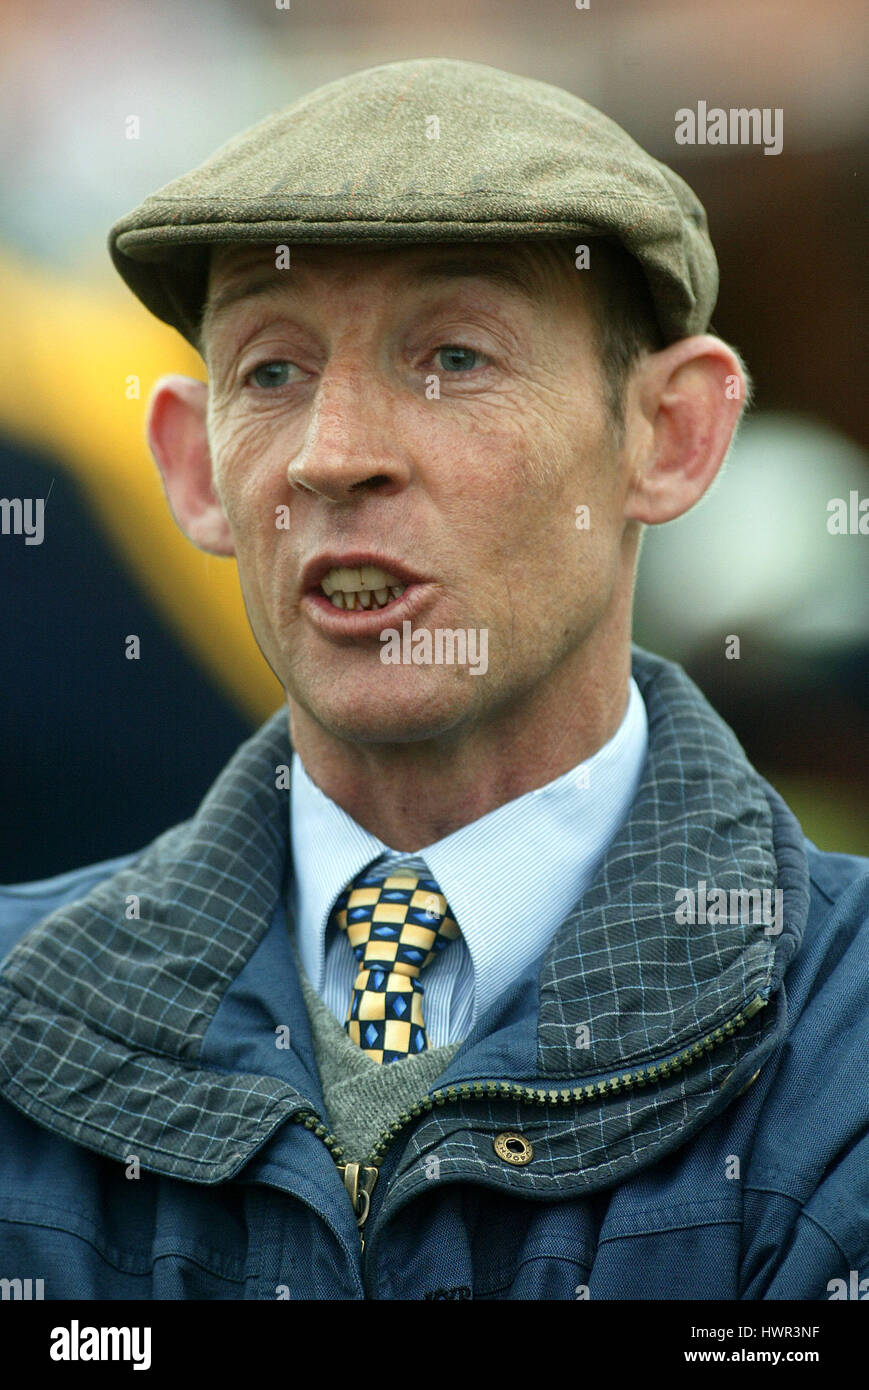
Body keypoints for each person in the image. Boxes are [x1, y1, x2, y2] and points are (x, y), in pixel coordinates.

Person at [0, 57, 866, 1302]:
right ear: (195, 472)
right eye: (272, 373)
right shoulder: (22, 1012)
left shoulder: (845, 1033)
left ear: (671, 435)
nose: (333, 455)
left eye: (454, 357)